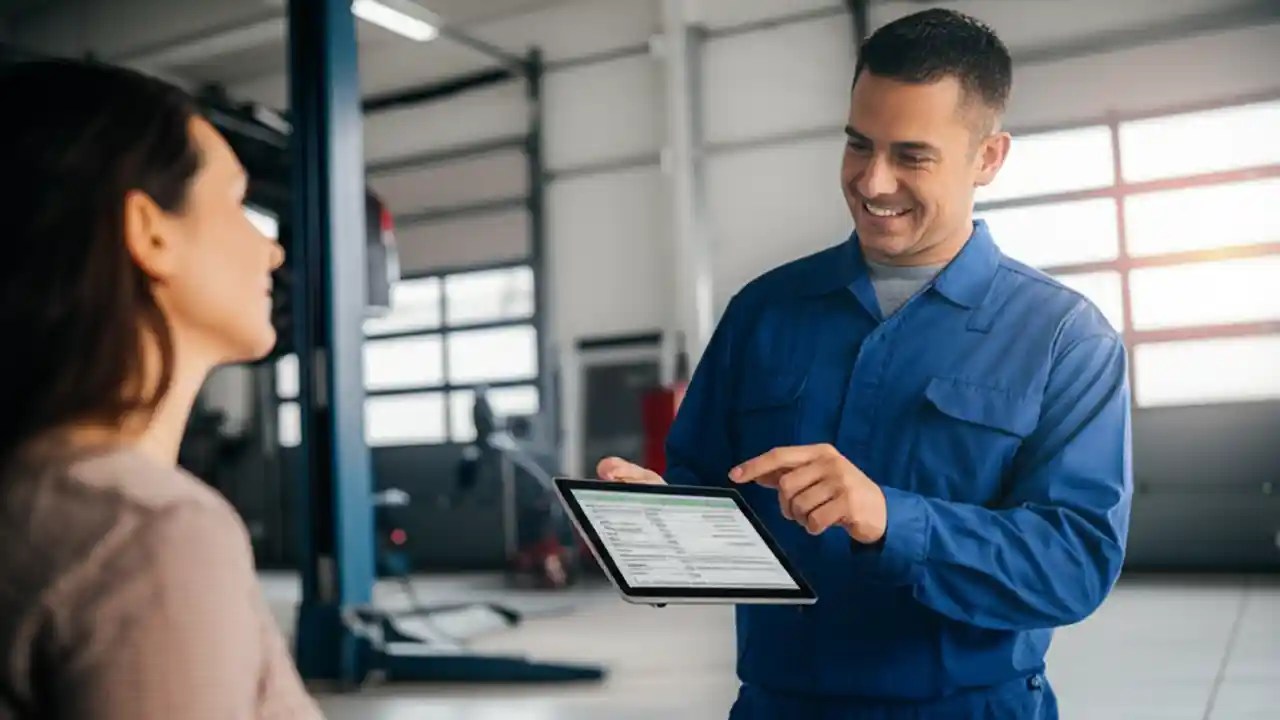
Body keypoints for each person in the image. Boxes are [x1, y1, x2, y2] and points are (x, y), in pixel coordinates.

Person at [597, 8, 1131, 719]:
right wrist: (645, 524)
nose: (873, 182)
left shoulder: (1065, 338)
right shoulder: (764, 312)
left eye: (912, 155)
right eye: (858, 144)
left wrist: (891, 518)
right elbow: (703, 488)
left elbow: (1074, 563)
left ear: (988, 159)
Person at [0, 60, 323, 719]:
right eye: (237, 204)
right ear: (150, 232)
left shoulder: (35, 492)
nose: (273, 252)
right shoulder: (148, 532)